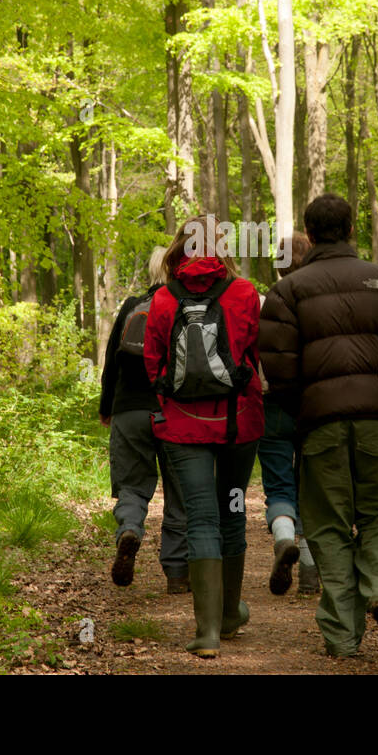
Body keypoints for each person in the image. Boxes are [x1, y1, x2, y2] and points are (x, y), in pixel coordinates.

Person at [260, 194, 378, 658]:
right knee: (377, 516)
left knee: (329, 527)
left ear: (310, 234)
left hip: (320, 428)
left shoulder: (286, 293)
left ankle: (341, 636)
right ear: (352, 228)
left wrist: (306, 406)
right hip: (376, 421)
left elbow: (278, 368)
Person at [143, 215, 264, 658]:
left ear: (179, 247)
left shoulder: (161, 299)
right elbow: (252, 351)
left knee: (200, 518)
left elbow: (154, 366)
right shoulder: (245, 293)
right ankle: (230, 614)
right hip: (239, 423)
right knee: (232, 512)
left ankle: (207, 633)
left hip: (181, 425)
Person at [100, 247, 190, 593]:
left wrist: (107, 407)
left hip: (128, 410)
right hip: (173, 412)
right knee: (179, 495)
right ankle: (178, 574)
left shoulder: (131, 306)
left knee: (132, 486)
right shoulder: (185, 308)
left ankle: (130, 530)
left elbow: (112, 362)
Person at [257, 232, 318, 595]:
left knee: (279, 485)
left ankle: (283, 539)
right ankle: (311, 570)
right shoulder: (319, 302)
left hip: (272, 403)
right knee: (310, 486)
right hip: (312, 405)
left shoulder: (266, 303)